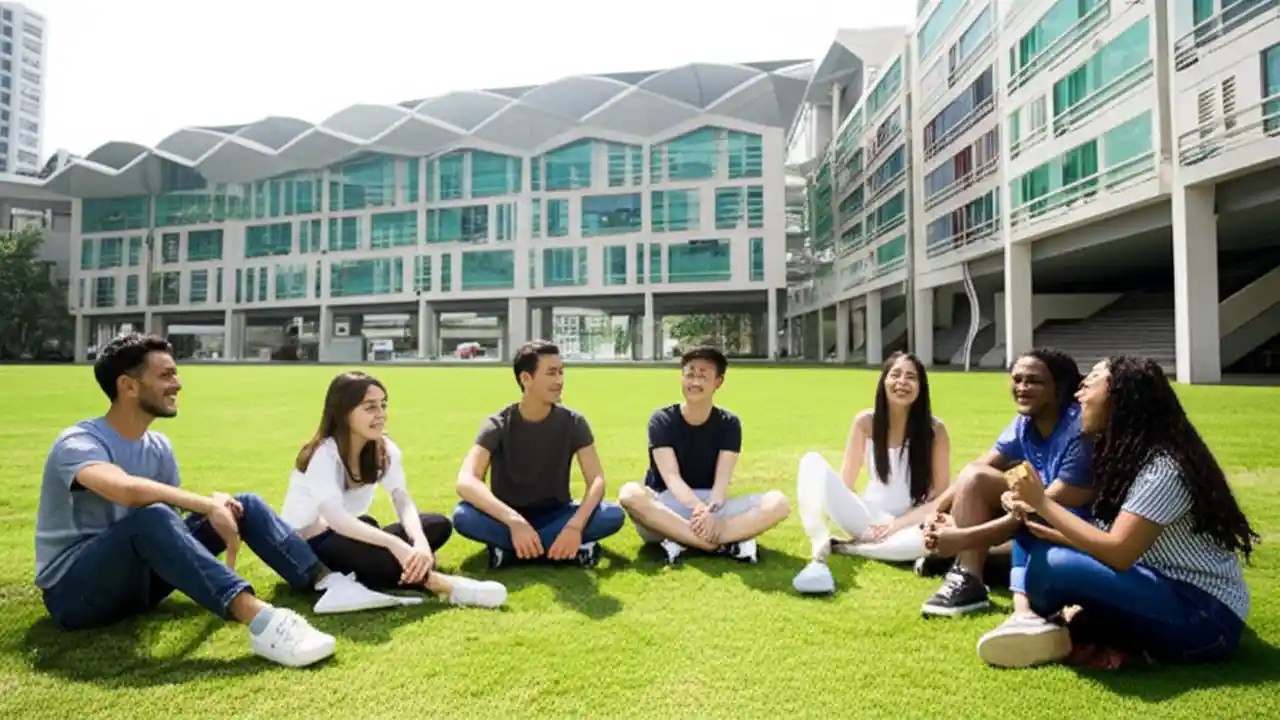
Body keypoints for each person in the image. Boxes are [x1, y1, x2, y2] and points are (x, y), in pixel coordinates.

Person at [33, 333, 382, 669]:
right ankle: (265, 623)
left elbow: (168, 529)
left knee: (241, 504)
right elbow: (126, 491)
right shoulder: (78, 442)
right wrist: (204, 504)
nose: (177, 384)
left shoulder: (158, 447)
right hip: (76, 595)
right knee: (153, 517)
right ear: (128, 385)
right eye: (166, 375)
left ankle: (327, 583)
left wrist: (217, 510)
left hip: (139, 584)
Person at [987, 356, 1258, 669]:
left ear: (1118, 396)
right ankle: (1057, 626)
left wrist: (1042, 503)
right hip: (1156, 586)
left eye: (1090, 384)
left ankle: (1063, 628)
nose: (1078, 394)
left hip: (1204, 616)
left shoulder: (1163, 468)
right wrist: (1044, 527)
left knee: (1052, 565)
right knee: (1039, 543)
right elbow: (1112, 544)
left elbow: (1118, 552)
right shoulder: (1122, 456)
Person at [280, 370, 508, 609]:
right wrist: (395, 544)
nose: (381, 415)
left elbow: (401, 497)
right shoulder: (323, 454)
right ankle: (443, 585)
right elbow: (335, 520)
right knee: (383, 553)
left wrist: (418, 541)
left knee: (437, 525)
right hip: (311, 545)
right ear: (343, 412)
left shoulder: (383, 448)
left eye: (383, 406)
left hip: (352, 529)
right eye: (370, 407)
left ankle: (384, 568)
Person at [919, 348, 1092, 625]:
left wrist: (963, 536)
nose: (1022, 388)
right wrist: (935, 512)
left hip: (1071, 530)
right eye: (1017, 379)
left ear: (1058, 389)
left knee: (982, 508)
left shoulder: (1079, 430)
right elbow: (976, 470)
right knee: (976, 477)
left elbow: (1041, 508)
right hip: (1033, 525)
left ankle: (964, 568)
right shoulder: (1024, 423)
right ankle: (966, 571)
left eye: (1034, 381)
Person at [452, 340, 626, 569]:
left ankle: (512, 551)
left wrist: (574, 526)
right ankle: (554, 547)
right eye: (551, 373)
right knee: (462, 516)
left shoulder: (574, 422)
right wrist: (514, 521)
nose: (559, 381)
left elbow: (597, 480)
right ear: (526, 379)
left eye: (561, 372)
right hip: (505, 517)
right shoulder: (498, 424)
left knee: (612, 515)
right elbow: (466, 481)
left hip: (558, 514)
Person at [792, 351, 951, 594]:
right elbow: (847, 482)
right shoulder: (865, 422)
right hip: (867, 519)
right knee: (811, 462)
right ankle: (820, 545)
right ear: (884, 381)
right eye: (895, 375)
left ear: (921, 386)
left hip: (910, 522)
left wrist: (896, 525)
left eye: (911, 377)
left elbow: (940, 496)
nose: (902, 382)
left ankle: (851, 548)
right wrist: (857, 513)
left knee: (931, 540)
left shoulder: (935, 430)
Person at [617, 346, 791, 565]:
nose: (695, 382)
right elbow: (671, 477)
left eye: (703, 376)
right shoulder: (662, 420)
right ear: (681, 377)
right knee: (630, 494)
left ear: (718, 382)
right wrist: (697, 509)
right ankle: (714, 543)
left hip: (713, 508)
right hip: (667, 509)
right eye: (690, 374)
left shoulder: (729, 424)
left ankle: (691, 539)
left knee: (779, 503)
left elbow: (721, 486)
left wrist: (709, 511)